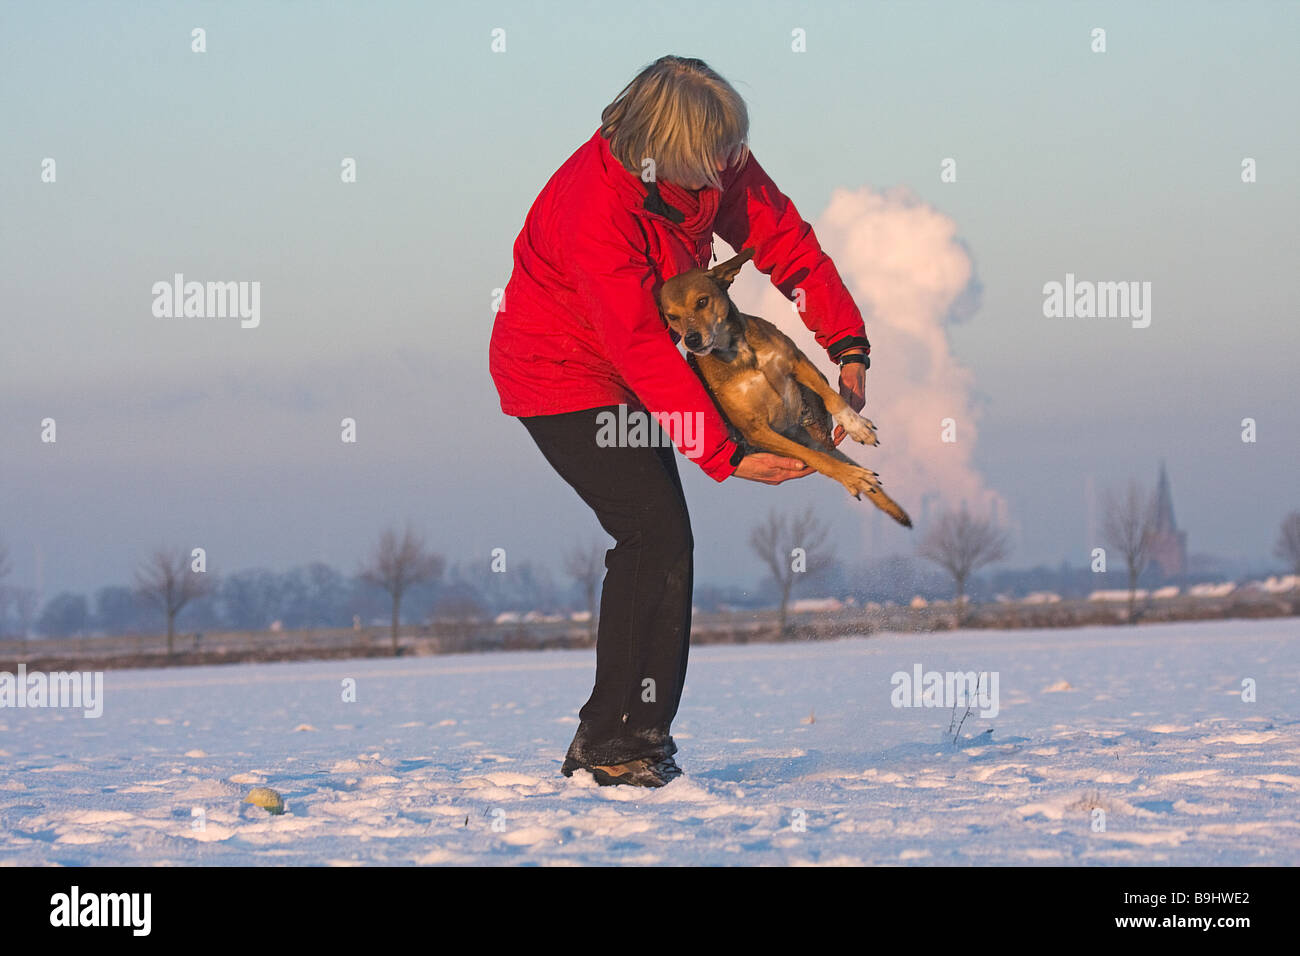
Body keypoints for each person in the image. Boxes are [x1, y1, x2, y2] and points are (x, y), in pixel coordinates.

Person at [488, 55, 871, 787]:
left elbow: (783, 240)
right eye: (716, 155)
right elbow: (638, 345)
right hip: (560, 376)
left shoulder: (712, 167)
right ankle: (614, 744)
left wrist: (845, 342)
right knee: (653, 532)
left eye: (734, 151)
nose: (730, 168)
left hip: (633, 373)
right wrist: (724, 453)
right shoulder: (594, 212)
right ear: (670, 148)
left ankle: (632, 739)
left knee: (663, 539)